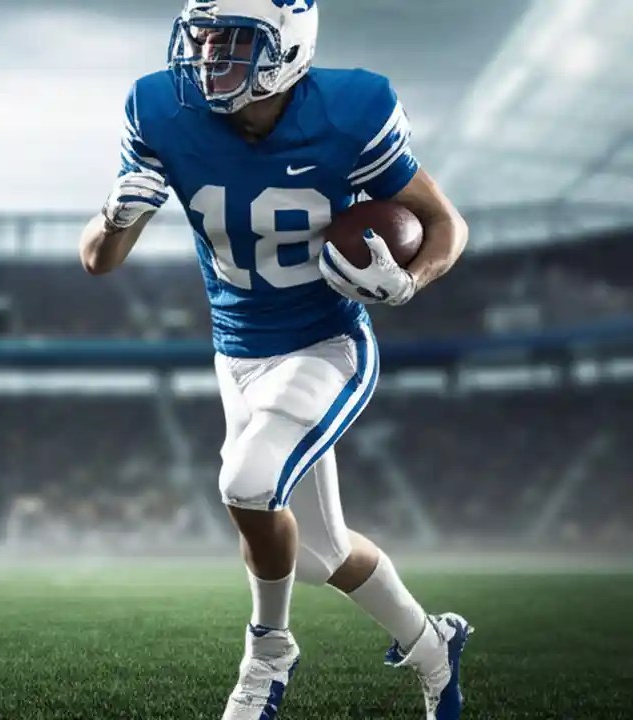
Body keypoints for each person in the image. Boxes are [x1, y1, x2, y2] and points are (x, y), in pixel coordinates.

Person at [77, 1, 472, 717]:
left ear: (288, 51)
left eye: (231, 45)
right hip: (236, 352)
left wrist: (411, 280)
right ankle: (432, 644)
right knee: (318, 553)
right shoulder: (159, 108)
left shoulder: (354, 109)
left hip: (325, 341)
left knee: (250, 483)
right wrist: (113, 217)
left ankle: (268, 654)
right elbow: (100, 262)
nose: (205, 60)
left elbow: (445, 222)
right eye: (200, 40)